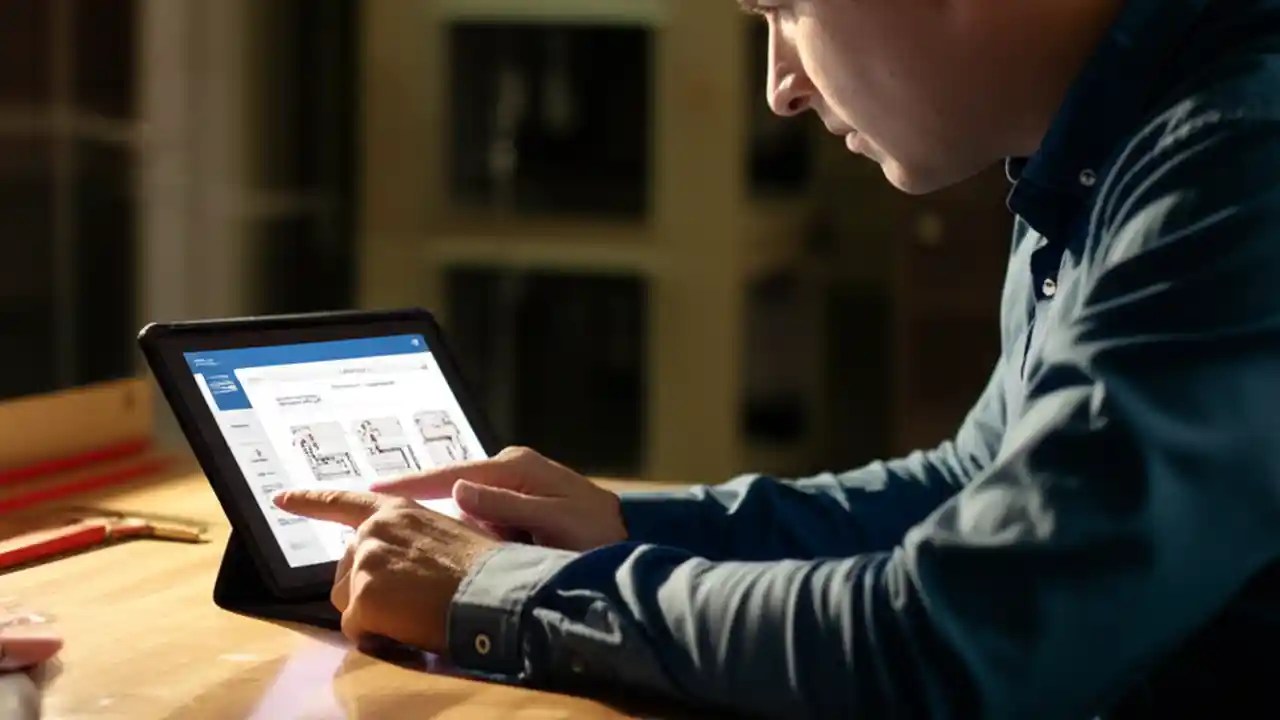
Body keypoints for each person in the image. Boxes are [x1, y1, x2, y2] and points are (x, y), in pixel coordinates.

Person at [275, 0, 1280, 716]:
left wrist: (508, 594)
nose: (780, 89)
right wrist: (624, 527)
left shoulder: (1238, 157)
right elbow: (975, 484)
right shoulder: (1108, 146)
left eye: (785, 10)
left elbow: (960, 641)